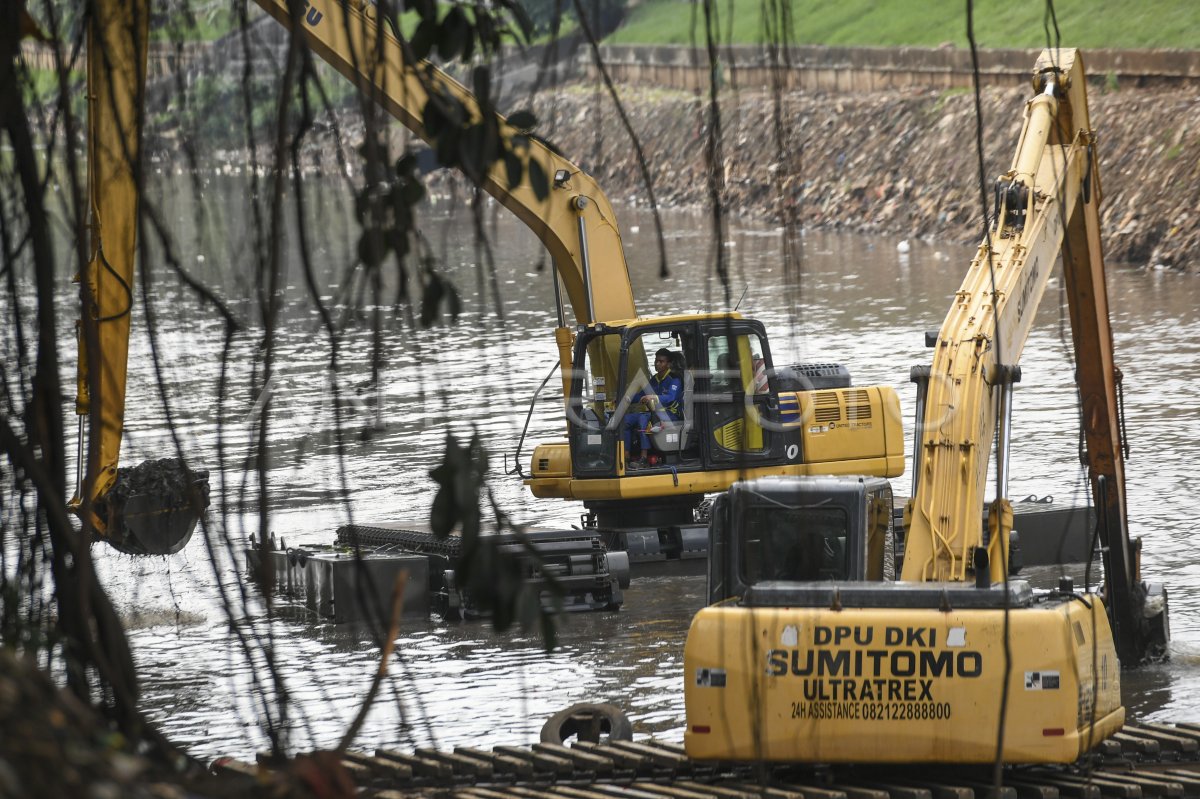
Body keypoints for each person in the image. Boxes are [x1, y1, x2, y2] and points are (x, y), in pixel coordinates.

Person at [622, 348, 684, 468]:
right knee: (626, 420)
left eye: (661, 361)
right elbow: (641, 395)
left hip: (671, 414)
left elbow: (670, 397)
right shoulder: (654, 380)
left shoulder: (674, 379)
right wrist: (625, 399)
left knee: (643, 419)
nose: (657, 364)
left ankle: (644, 458)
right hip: (654, 414)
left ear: (669, 364)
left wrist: (653, 397)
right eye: (656, 361)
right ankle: (626, 456)